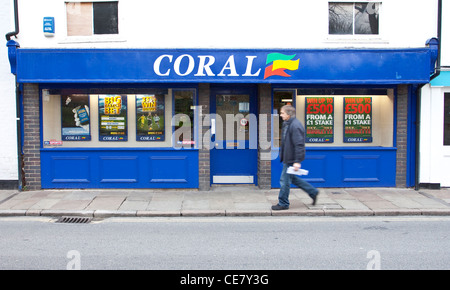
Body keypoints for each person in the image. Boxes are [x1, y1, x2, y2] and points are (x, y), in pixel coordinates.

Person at [272, 105, 319, 210]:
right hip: (287, 157)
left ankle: (283, 203)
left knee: (284, 181)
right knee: (293, 179)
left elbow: (299, 145)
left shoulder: (295, 125)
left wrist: (297, 161)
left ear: (288, 114)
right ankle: (313, 191)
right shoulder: (287, 124)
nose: (280, 115)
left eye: (282, 113)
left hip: (291, 159)